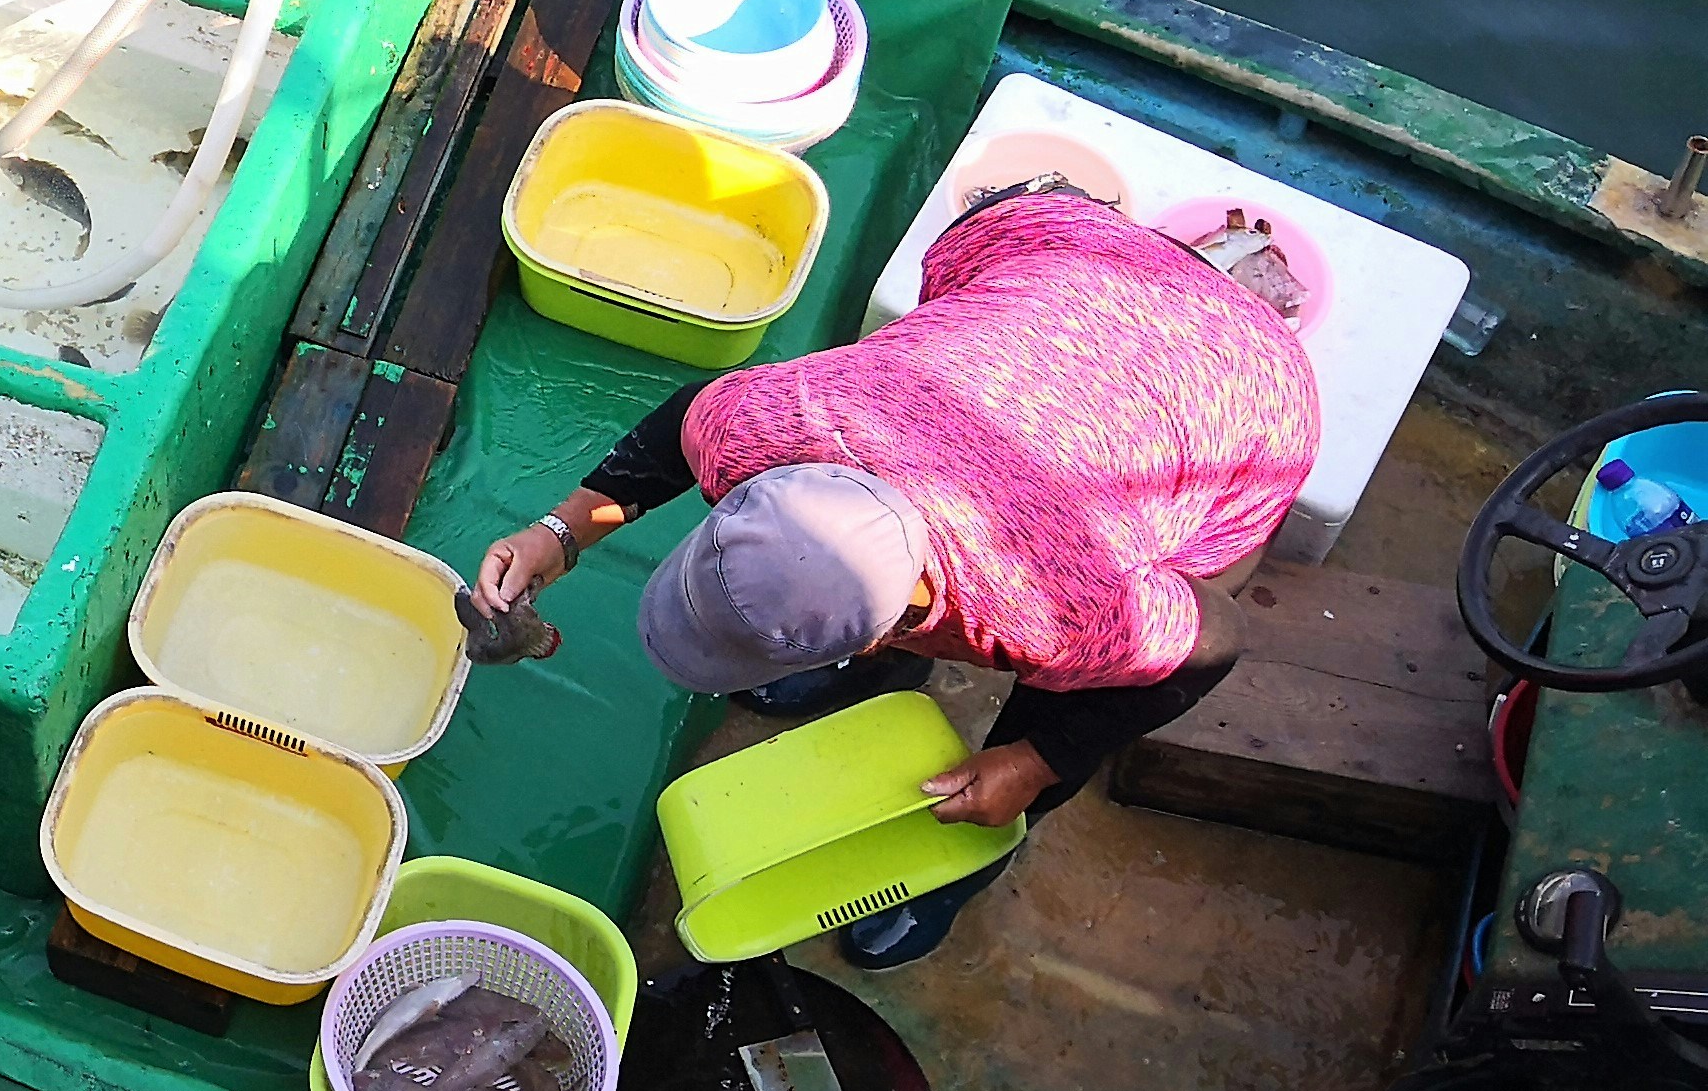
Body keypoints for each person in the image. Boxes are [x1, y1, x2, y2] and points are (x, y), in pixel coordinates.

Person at [472, 178, 1320, 969]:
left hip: (1249, 407)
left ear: (899, 619)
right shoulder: (766, 422)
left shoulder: (1063, 606)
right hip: (1065, 248)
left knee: (1079, 690)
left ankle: (964, 863)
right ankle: (885, 668)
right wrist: (561, 532)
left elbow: (1214, 638)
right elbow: (678, 430)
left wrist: (1034, 760)